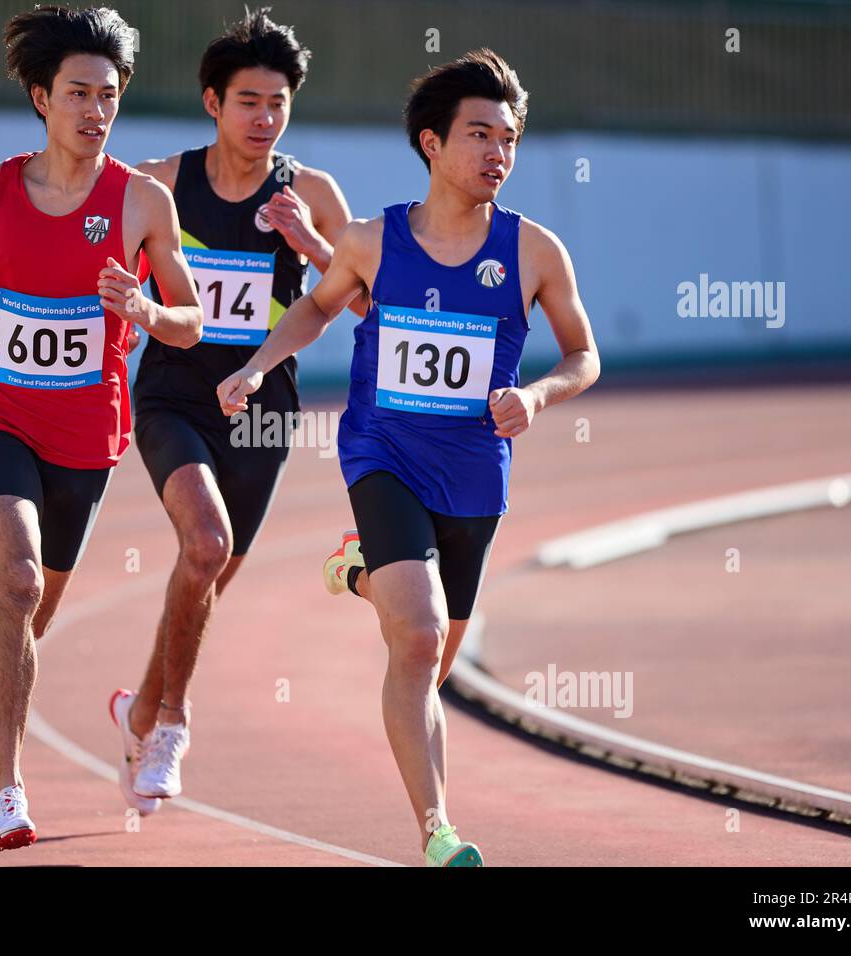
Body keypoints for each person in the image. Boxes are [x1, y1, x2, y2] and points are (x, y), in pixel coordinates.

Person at [217, 49, 600, 866]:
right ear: (432, 144)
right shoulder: (371, 241)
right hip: (382, 452)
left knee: (428, 658)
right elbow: (316, 311)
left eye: (509, 139)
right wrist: (254, 365)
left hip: (474, 475)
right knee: (420, 638)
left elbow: (583, 357)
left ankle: (360, 573)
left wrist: (535, 396)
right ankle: (438, 833)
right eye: (479, 135)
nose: (497, 153)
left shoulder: (535, 252)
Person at [0, 4, 201, 851]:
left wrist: (144, 306)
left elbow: (190, 320)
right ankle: (8, 792)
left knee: (24, 623)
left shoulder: (142, 201)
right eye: (77, 92)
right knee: (23, 585)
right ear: (41, 97)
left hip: (86, 435)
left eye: (109, 94)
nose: (95, 109)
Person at [108, 8, 363, 812]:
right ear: (212, 102)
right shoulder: (157, 184)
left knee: (208, 572)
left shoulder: (312, 191)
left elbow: (363, 305)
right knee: (206, 542)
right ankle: (174, 725)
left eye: (279, 102)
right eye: (249, 101)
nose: (265, 118)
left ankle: (139, 710)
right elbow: (96, 281)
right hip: (174, 394)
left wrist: (315, 246)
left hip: (262, 406)